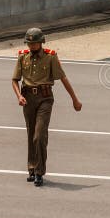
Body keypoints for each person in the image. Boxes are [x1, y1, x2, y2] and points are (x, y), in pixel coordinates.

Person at [12, 28, 82, 186]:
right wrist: (19, 96)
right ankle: (31, 168)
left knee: (39, 135)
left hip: (45, 99)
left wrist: (74, 99)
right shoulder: (22, 56)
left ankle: (39, 172)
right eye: (29, 43)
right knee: (31, 134)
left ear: (41, 42)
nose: (31, 46)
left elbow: (62, 78)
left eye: (34, 43)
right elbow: (15, 80)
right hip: (28, 99)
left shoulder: (50, 57)